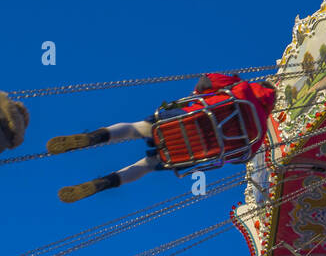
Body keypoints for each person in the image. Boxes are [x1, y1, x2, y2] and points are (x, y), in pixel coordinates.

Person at [47, 72, 277, 202]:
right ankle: (103, 183)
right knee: (146, 166)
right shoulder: (260, 132)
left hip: (185, 120)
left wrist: (198, 95)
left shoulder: (242, 86)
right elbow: (242, 157)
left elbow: (206, 82)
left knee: (133, 129)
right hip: (191, 153)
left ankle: (94, 138)